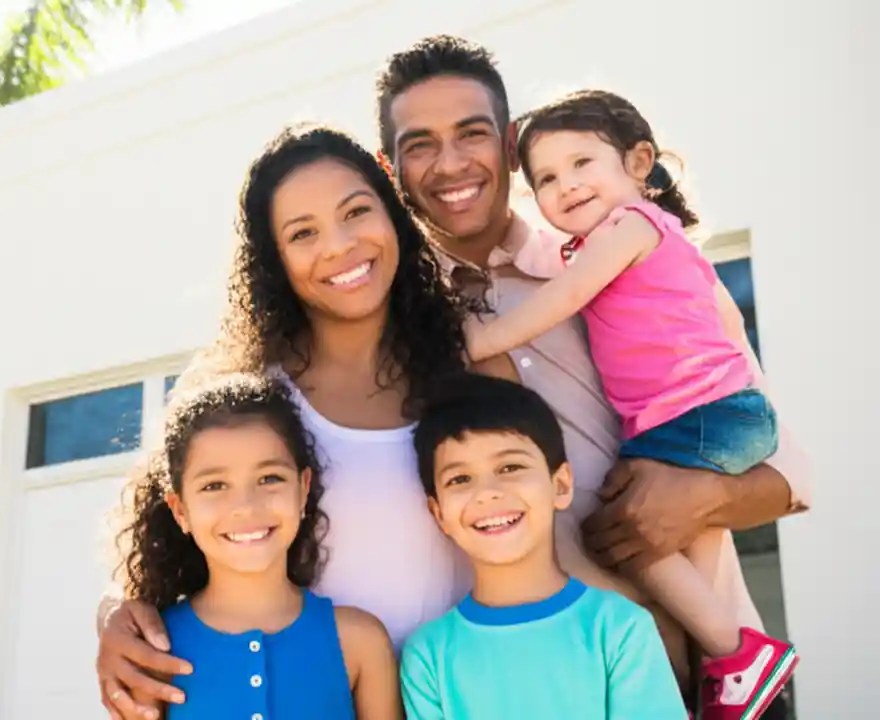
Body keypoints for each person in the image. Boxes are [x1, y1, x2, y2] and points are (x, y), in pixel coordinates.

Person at [376, 35, 812, 716]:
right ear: (391, 165)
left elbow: (792, 476)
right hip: (547, 688)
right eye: (420, 144)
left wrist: (692, 501)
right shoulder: (394, 322)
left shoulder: (629, 254)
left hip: (720, 677)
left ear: (511, 141)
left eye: (472, 133)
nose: (452, 162)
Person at [96, 123, 471, 720]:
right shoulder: (244, 390)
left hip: (464, 699)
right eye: (302, 233)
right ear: (274, 259)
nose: (339, 245)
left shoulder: (466, 367)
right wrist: (115, 616)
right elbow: (163, 529)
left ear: (394, 212)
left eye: (356, 212)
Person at [117, 373, 401, 719]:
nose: (246, 507)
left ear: (303, 488)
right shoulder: (154, 652)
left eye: (269, 479)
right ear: (180, 511)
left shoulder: (360, 642)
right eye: (214, 486)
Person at [401, 374, 685, 719]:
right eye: (460, 479)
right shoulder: (429, 656)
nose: (487, 492)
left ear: (561, 485)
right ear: (438, 513)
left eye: (510, 467)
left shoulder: (619, 628)